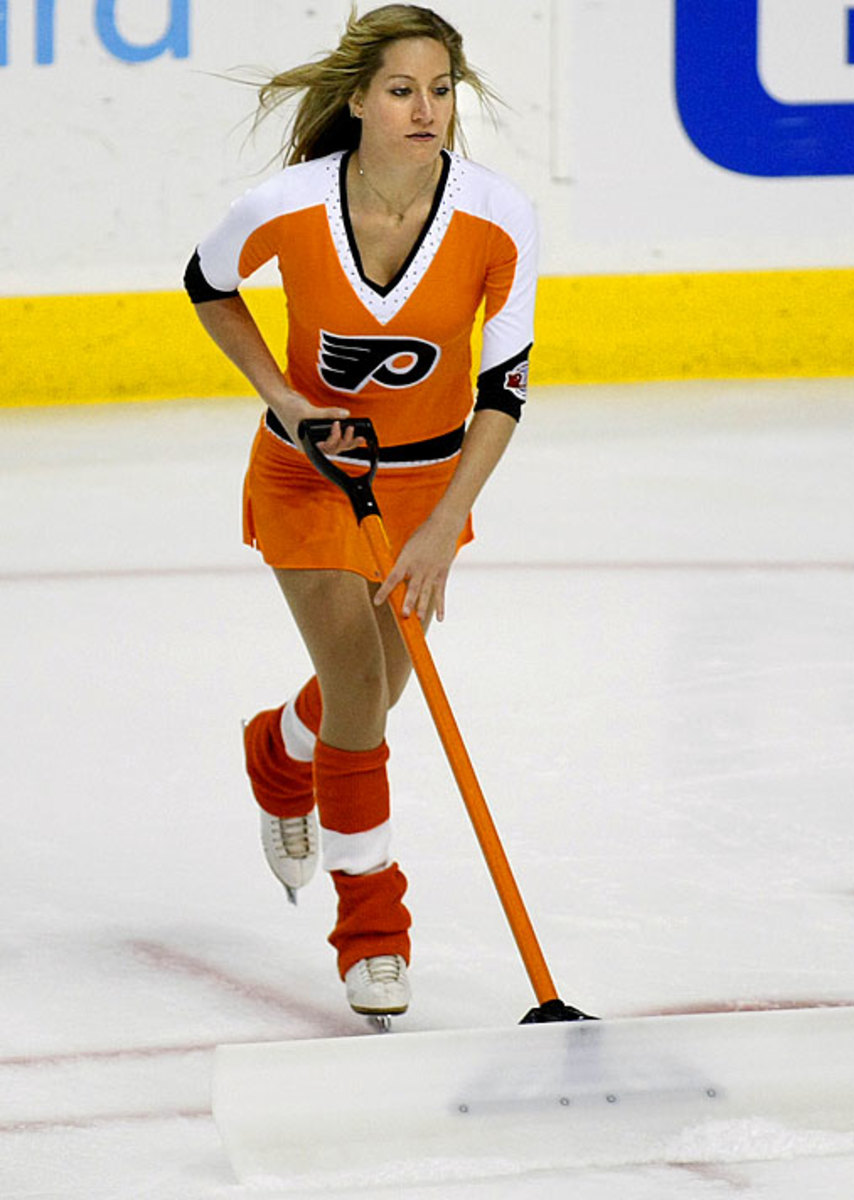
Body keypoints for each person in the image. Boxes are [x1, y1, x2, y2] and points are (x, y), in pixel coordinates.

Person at [184, 4, 537, 1018]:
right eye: (400, 90)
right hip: (311, 476)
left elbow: (503, 392)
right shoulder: (287, 205)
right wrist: (285, 404)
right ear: (359, 101)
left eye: (439, 90)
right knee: (355, 694)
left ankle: (274, 753)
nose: (424, 110)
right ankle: (373, 932)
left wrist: (441, 531)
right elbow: (206, 284)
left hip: (429, 487)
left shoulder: (498, 216)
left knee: (375, 694)